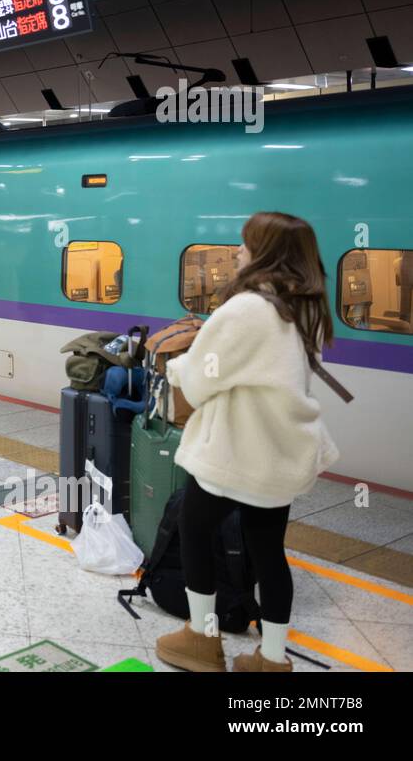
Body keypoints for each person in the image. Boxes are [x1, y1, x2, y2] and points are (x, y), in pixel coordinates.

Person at [156, 211, 338, 673]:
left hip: (236, 454)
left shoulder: (246, 309)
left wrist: (175, 368)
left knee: (194, 528)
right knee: (269, 553)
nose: (237, 252)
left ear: (265, 253)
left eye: (244, 244)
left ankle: (202, 639)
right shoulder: (302, 307)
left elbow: (198, 383)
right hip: (279, 455)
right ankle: (272, 659)